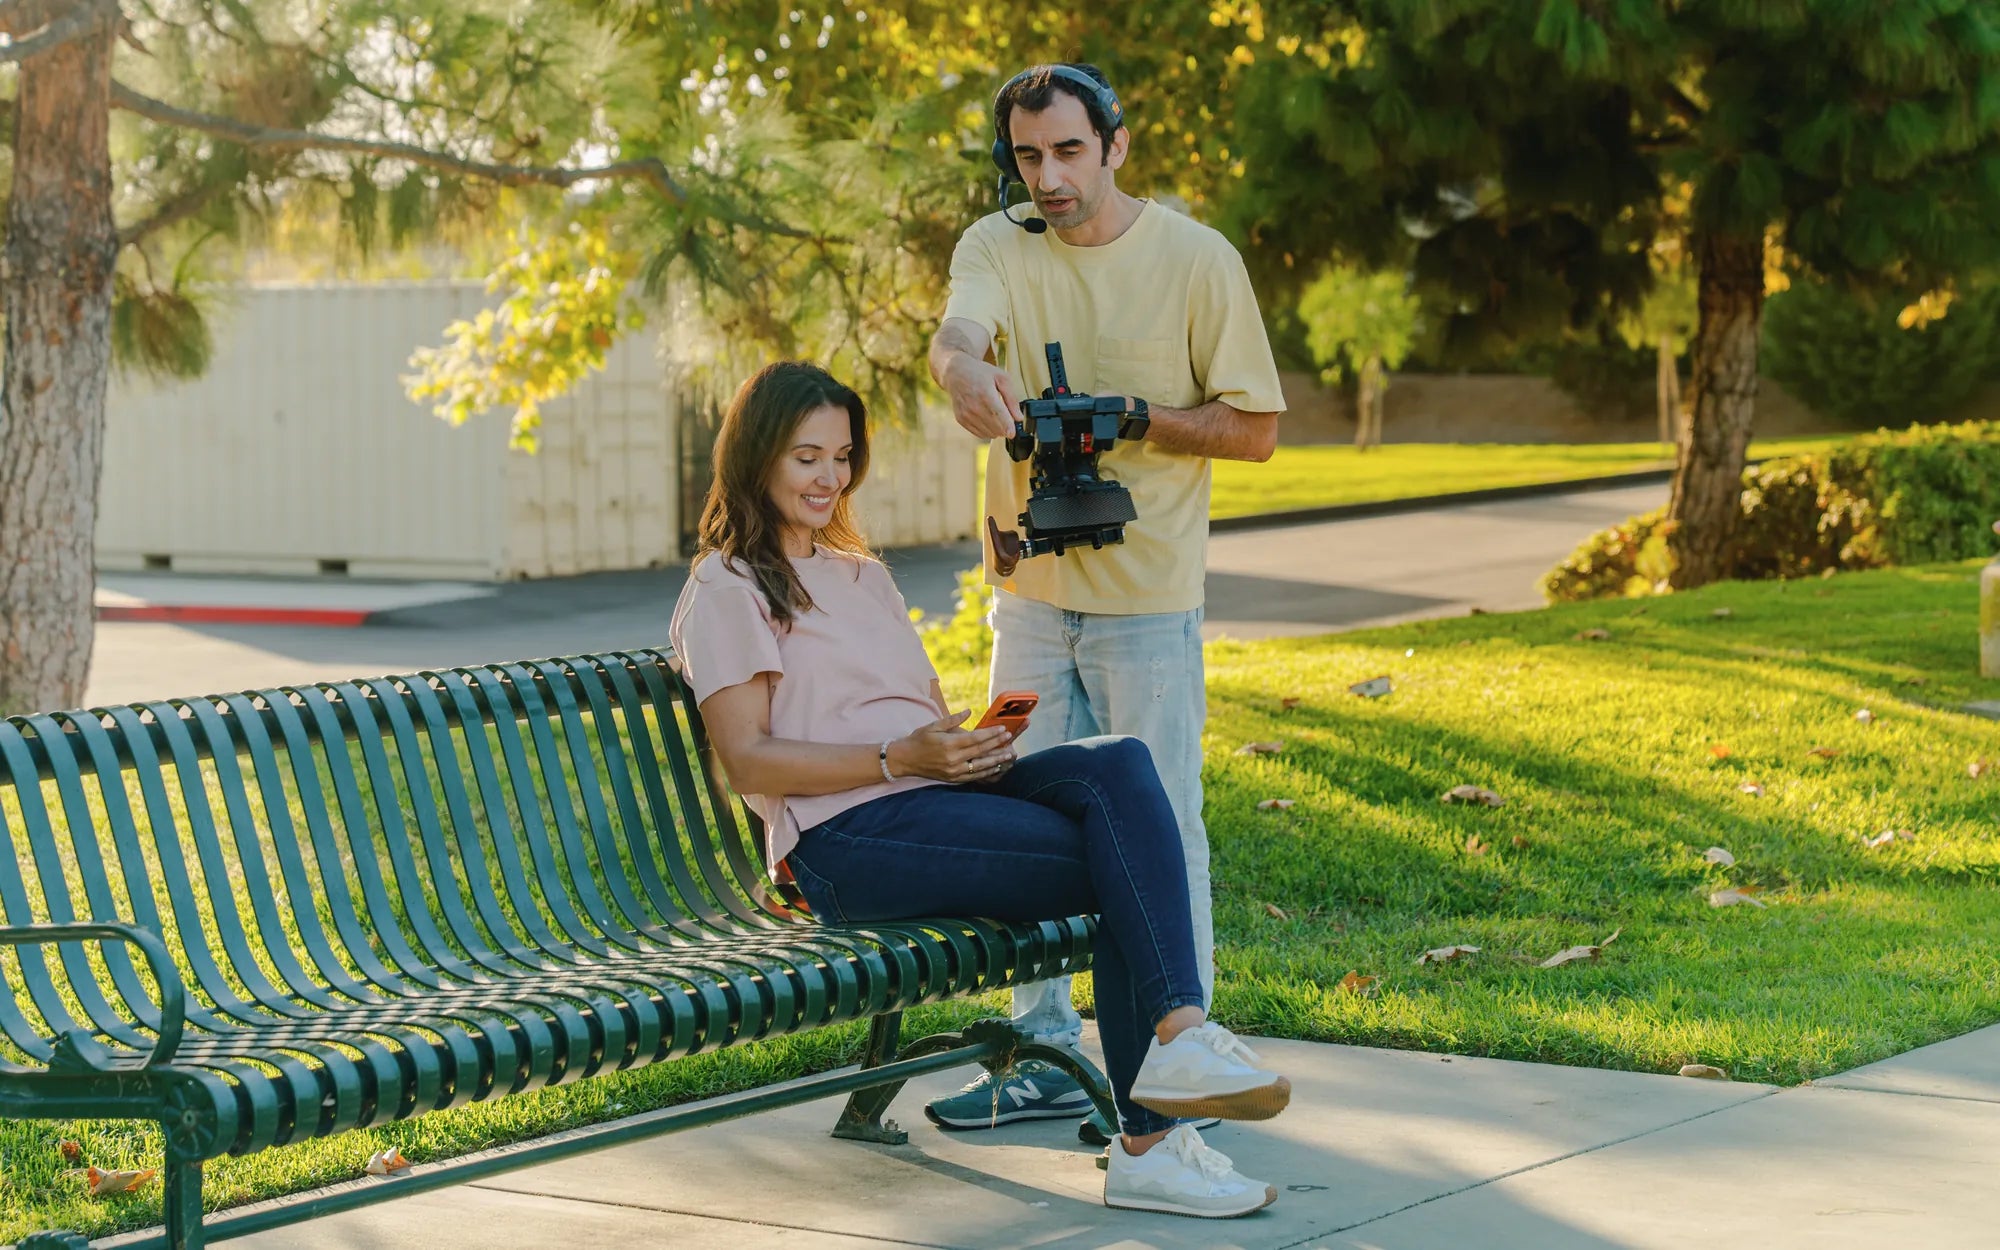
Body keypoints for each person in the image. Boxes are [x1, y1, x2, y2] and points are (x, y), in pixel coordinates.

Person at [668, 360, 1292, 1219]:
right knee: (1125, 865)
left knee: (1118, 763)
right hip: (844, 842)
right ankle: (1153, 1138)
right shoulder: (726, 586)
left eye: (842, 457)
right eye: (806, 457)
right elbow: (748, 762)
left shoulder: (861, 575)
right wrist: (900, 758)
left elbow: (918, 719)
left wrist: (969, 749)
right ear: (756, 457)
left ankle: (1176, 1060)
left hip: (928, 796)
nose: (829, 478)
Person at [924, 63, 1286, 1140]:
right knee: (1017, 822)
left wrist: (1134, 416)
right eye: (1028, 156)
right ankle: (1038, 1051)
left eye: (1069, 151)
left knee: (1163, 827)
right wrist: (961, 372)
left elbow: (1255, 429)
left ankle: (1182, 1070)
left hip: (1146, 606)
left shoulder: (1196, 259)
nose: (1048, 177)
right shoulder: (997, 245)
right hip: (1029, 600)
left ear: (1116, 144)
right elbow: (958, 333)